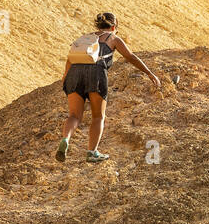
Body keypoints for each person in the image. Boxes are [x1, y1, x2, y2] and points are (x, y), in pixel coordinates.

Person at [56, 12, 161, 163]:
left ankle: (65, 139)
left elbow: (69, 59)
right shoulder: (113, 38)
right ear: (113, 27)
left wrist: (66, 76)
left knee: (74, 115)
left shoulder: (85, 38)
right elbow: (130, 56)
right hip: (96, 74)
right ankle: (92, 152)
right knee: (98, 116)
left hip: (74, 74)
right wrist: (150, 73)